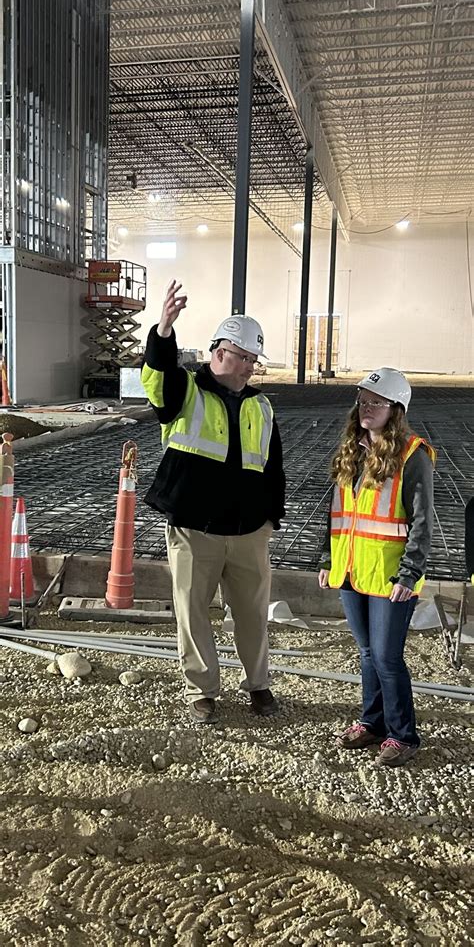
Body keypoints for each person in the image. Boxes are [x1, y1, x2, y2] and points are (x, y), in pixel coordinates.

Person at [141, 279, 286, 724]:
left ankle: (258, 685)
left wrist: (270, 520)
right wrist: (163, 329)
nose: (250, 368)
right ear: (219, 351)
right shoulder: (185, 392)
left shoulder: (260, 406)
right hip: (195, 528)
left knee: (252, 616)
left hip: (248, 532)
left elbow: (273, 465)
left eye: (253, 361)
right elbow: (158, 374)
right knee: (193, 612)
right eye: (245, 358)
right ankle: (202, 690)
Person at [318, 368, 435, 768]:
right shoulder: (352, 449)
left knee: (386, 657)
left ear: (395, 409)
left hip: (390, 576)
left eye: (376, 403)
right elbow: (335, 512)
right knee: (368, 653)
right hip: (351, 569)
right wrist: (326, 558)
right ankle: (371, 722)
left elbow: (422, 522)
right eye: (363, 401)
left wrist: (409, 573)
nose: (366, 409)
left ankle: (403, 735)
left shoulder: (411, 455)